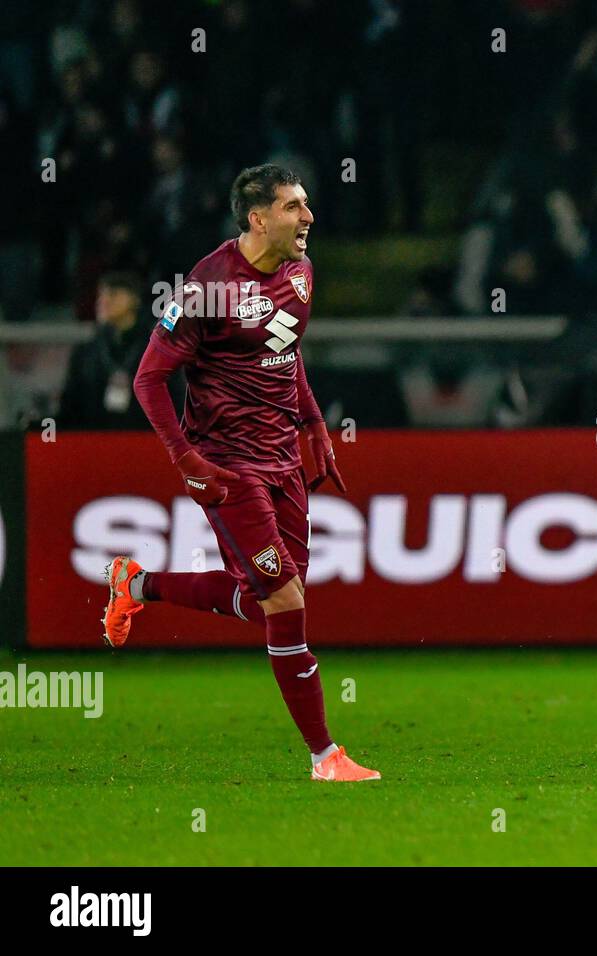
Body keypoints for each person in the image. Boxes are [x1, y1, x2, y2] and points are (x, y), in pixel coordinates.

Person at [102, 164, 379, 783]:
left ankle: (136, 584)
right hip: (228, 466)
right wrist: (187, 460)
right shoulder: (207, 289)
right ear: (258, 219)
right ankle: (324, 756)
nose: (308, 217)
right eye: (293, 207)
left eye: (306, 205)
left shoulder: (301, 274)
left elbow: (285, 353)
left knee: (272, 607)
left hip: (283, 455)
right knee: (284, 599)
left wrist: (313, 429)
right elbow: (148, 379)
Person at [59, 272, 182, 429]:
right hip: (93, 443)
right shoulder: (87, 352)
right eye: (101, 295)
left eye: (113, 293)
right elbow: (71, 405)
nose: (104, 301)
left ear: (134, 300)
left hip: (146, 444)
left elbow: (175, 403)